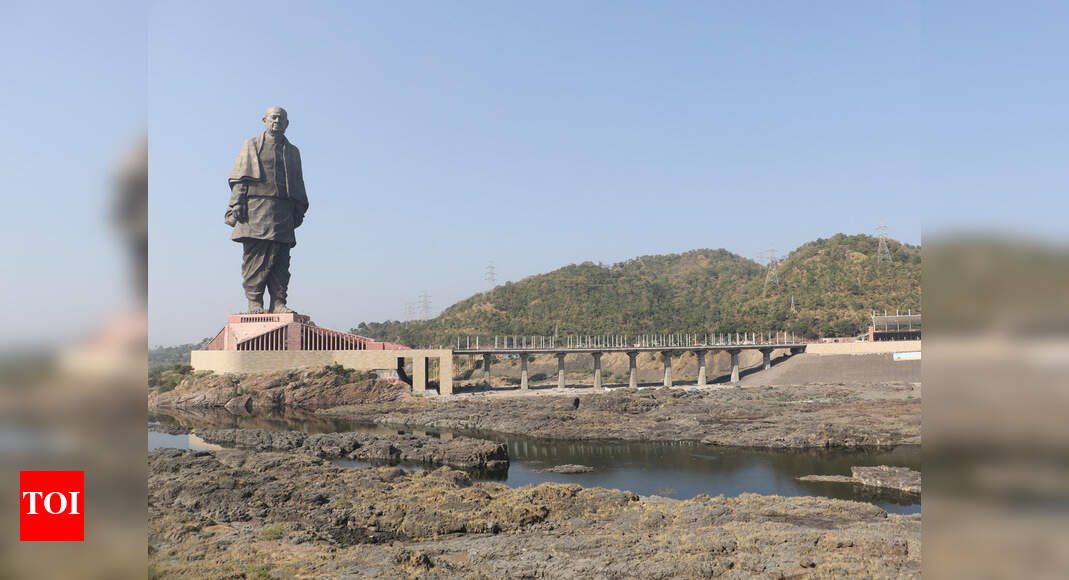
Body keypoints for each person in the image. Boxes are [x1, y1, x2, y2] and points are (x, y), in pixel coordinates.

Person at [225, 106, 309, 314]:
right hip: (256, 208)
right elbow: (240, 178)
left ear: (287, 124)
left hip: (283, 210)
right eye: (273, 118)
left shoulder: (293, 151)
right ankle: (255, 301)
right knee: (256, 256)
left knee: (281, 258)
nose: (277, 121)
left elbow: (298, 182)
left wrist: (298, 208)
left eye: (281, 119)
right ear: (264, 120)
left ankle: (278, 302)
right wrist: (237, 203)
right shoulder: (252, 145)